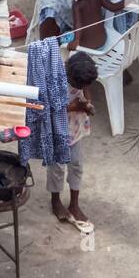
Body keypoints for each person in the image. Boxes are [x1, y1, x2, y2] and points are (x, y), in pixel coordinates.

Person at [48, 52, 97, 231]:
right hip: (58, 130)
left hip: (75, 129)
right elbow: (49, 107)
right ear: (68, 75)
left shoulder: (81, 77)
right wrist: (75, 107)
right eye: (78, 85)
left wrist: (88, 103)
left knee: (77, 165)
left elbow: (86, 89)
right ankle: (55, 201)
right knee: (57, 168)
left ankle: (74, 205)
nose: (81, 87)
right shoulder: (55, 79)